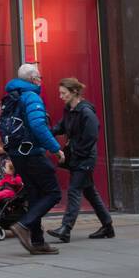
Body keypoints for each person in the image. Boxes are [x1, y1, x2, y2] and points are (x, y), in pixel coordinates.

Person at [3, 63, 65, 255]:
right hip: (31, 154)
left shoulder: (12, 97)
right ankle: (23, 224)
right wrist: (56, 149)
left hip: (18, 153)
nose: (40, 80)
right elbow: (38, 126)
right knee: (53, 192)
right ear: (32, 79)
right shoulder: (31, 97)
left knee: (35, 194)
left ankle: (38, 242)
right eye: (39, 77)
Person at [47, 78, 115, 243]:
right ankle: (107, 226)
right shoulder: (70, 110)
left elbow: (92, 135)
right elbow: (61, 127)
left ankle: (66, 228)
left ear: (74, 92)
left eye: (64, 93)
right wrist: (47, 133)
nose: (60, 96)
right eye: (60, 93)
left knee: (74, 190)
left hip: (84, 158)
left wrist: (77, 152)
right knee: (89, 192)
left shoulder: (86, 112)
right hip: (78, 157)